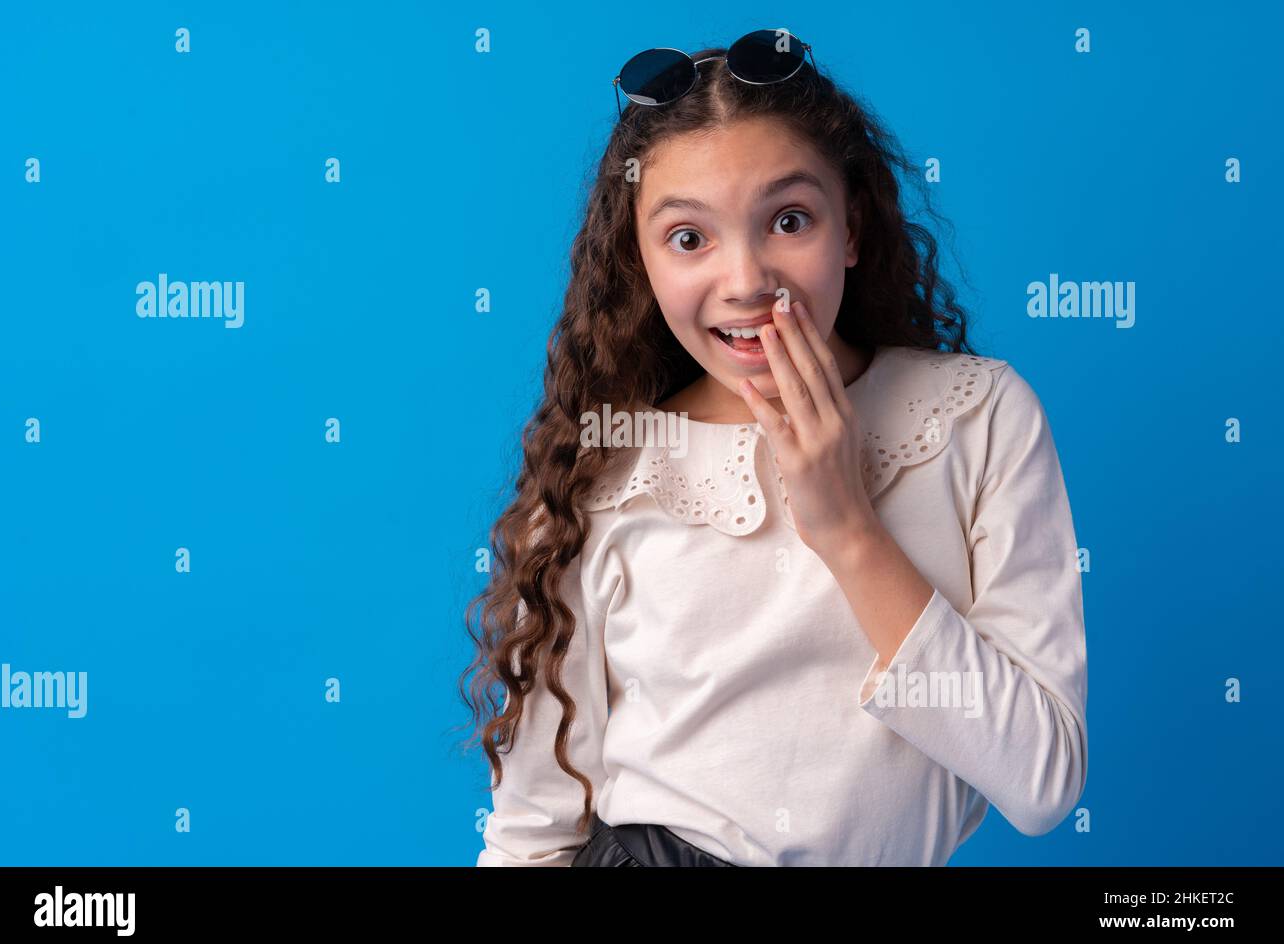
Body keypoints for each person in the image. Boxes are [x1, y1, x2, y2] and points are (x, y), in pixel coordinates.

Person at [461, 29, 1087, 866]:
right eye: (689, 238)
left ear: (851, 227)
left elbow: (1043, 782)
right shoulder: (602, 474)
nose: (748, 280)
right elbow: (532, 830)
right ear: (640, 260)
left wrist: (848, 530)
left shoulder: (978, 418)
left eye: (789, 221)